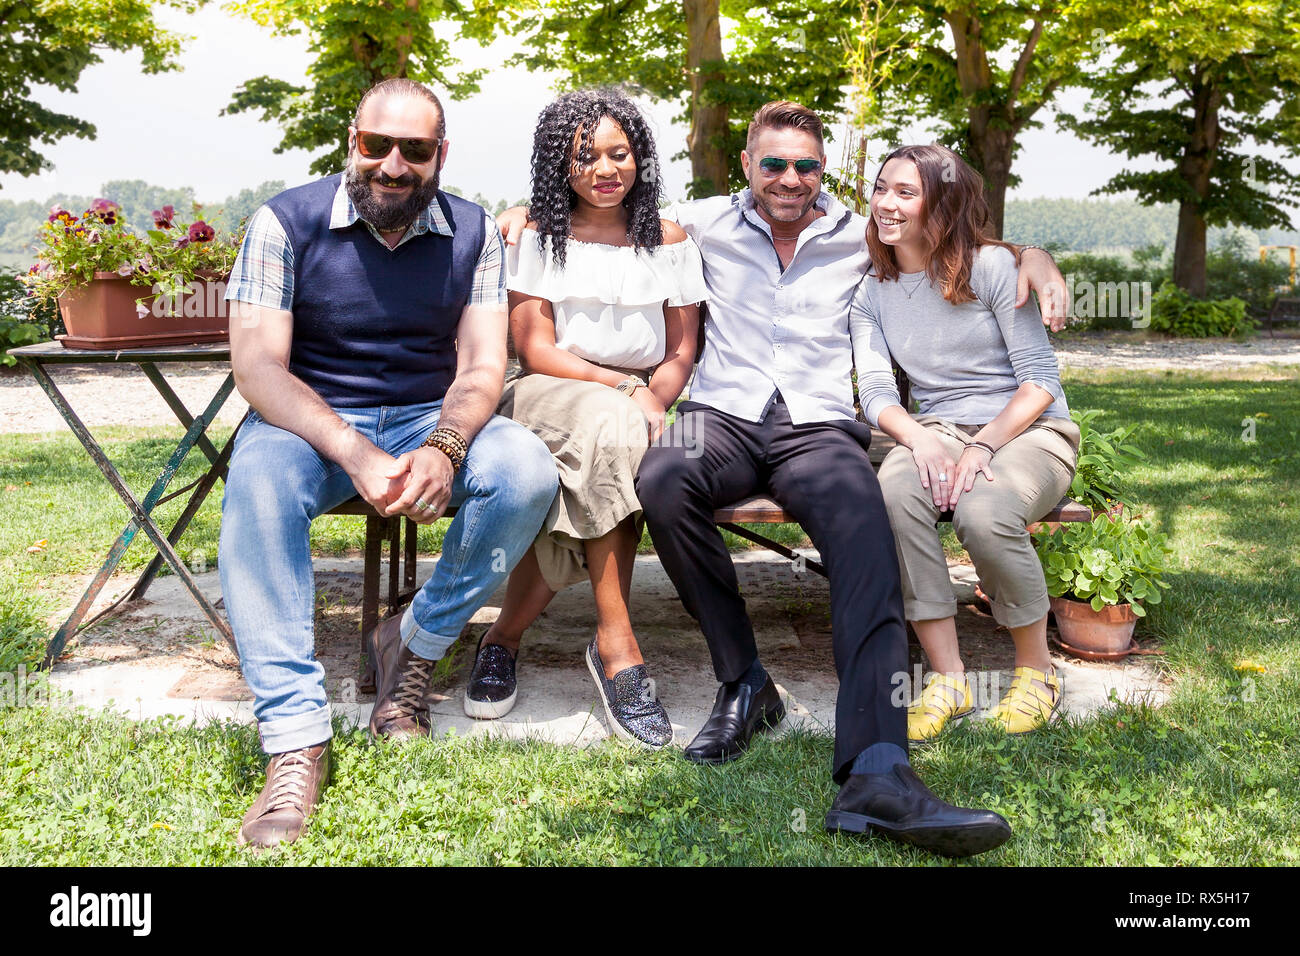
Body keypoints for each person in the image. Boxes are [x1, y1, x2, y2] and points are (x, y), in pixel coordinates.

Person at [498, 100, 1069, 858]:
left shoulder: (861, 236)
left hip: (822, 423)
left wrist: (1032, 252)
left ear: (824, 171)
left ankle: (878, 768)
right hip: (720, 411)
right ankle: (744, 683)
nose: (789, 179)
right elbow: (608, 202)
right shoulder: (700, 221)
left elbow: (948, 230)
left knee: (863, 519)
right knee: (664, 476)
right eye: (773, 164)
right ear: (747, 166)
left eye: (806, 166)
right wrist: (515, 208)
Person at [220, 78, 557, 849]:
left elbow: (481, 367)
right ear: (353, 143)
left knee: (528, 470)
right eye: (377, 146)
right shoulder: (284, 221)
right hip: (309, 418)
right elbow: (259, 369)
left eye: (414, 150)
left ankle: (415, 641)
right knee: (260, 481)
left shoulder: (474, 230)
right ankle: (296, 739)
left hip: (424, 413)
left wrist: (444, 445)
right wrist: (353, 450)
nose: (393, 166)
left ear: (441, 155)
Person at [462, 89, 706, 749]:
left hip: (635, 408)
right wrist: (626, 387)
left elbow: (683, 347)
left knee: (613, 449)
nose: (605, 168)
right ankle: (618, 648)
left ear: (640, 157)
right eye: (586, 156)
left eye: (618, 153)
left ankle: (503, 639)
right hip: (546, 393)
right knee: (616, 430)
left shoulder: (672, 239)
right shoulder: (538, 235)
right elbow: (535, 348)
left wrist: (655, 393)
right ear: (557, 164)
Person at [850, 144, 1078, 743]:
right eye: (881, 189)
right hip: (940, 428)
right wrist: (918, 438)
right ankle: (948, 677)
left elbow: (1040, 382)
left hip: (1030, 429)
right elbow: (875, 392)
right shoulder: (872, 290)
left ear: (941, 205)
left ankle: (1036, 671)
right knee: (897, 493)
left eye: (906, 192)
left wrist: (984, 447)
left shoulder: (994, 269)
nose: (886, 204)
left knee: (985, 510)